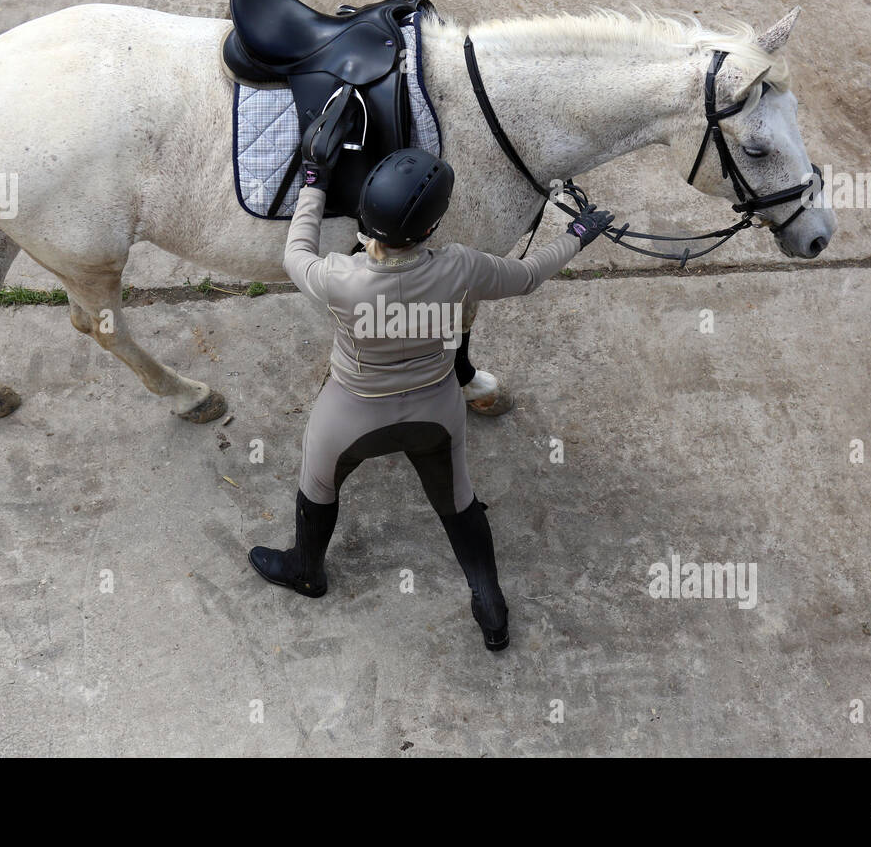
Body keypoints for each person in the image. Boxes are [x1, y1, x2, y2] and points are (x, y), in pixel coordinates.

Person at [249, 104, 614, 650]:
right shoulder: (462, 266)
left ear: (367, 220)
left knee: (318, 485)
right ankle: (490, 605)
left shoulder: (340, 279)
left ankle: (307, 568)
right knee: (459, 503)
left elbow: (294, 252)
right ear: (433, 226)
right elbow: (531, 275)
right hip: (436, 410)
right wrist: (577, 234)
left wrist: (313, 179)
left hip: (350, 413)